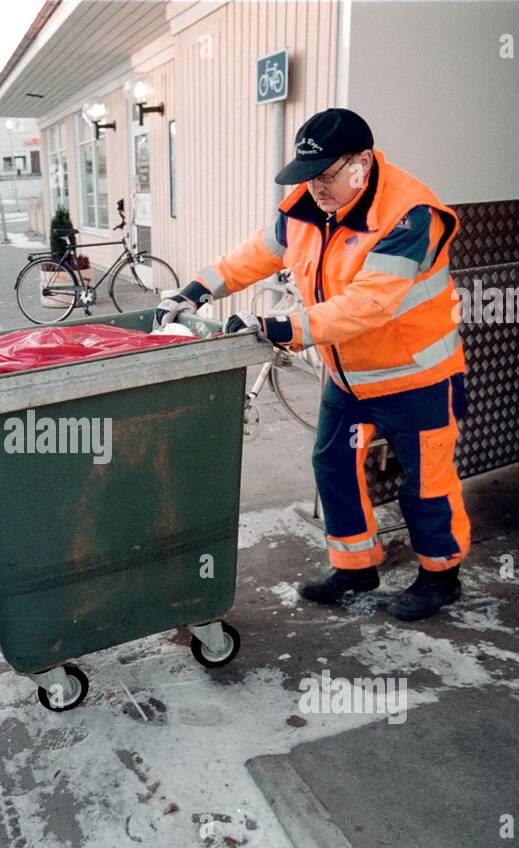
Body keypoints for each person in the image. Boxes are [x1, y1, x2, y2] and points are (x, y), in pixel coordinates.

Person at [157, 108, 469, 621]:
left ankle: (439, 578)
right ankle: (356, 568)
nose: (316, 187)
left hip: (419, 380)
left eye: (326, 174)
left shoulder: (411, 214)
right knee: (333, 467)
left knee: (427, 485)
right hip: (348, 379)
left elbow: (371, 304)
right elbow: (254, 255)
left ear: (363, 163)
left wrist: (284, 328)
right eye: (308, 175)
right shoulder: (306, 206)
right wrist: (196, 290)